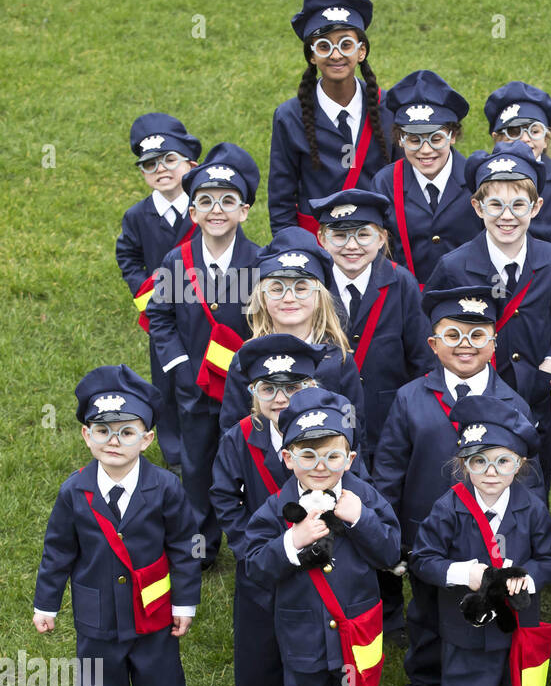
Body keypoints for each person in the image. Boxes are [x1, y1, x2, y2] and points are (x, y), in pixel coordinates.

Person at [372, 286, 543, 686]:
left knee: (495, 609)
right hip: (429, 536)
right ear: (433, 344)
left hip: (498, 534)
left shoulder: (513, 400)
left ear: (494, 343)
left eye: (477, 335)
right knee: (427, 612)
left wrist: (532, 531)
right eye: (453, 334)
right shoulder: (411, 397)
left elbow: (533, 476)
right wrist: (392, 536)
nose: (465, 345)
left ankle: (495, 684)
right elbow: (389, 468)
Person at [33, 366, 200, 686]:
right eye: (103, 430)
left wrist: (185, 602)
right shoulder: (75, 491)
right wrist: (46, 604)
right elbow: (58, 552)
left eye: (127, 431)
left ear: (147, 439)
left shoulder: (165, 488)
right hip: (98, 618)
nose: (114, 440)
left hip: (155, 616)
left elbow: (184, 547)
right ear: (86, 436)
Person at [243, 388, 401, 686]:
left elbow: (391, 553)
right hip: (302, 635)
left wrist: (360, 518)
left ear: (350, 458)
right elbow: (254, 566)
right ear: (288, 458)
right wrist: (292, 542)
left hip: (359, 632)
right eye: (307, 455)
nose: (320, 467)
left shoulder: (363, 496)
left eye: (332, 456)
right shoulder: (276, 509)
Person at [409, 397, 551, 686]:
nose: (490, 473)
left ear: (520, 465)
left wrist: (527, 576)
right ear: (462, 465)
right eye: (478, 462)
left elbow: (550, 558)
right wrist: (465, 573)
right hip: (465, 632)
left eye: (502, 462)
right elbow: (422, 560)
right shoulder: (448, 508)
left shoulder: (531, 508)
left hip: (518, 629)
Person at [426, 140, 551, 495]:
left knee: (530, 481)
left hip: (536, 389)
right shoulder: (454, 265)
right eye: (495, 205)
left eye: (518, 205)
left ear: (536, 207)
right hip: (477, 389)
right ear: (477, 207)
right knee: (477, 475)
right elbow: (431, 326)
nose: (507, 216)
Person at [211, 336, 324, 686]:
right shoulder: (239, 438)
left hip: (318, 557)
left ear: (311, 386)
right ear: (251, 393)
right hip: (260, 564)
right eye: (267, 388)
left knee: (313, 649)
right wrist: (250, 548)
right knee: (259, 652)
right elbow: (224, 496)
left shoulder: (326, 431)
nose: (281, 398)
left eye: (293, 387)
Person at [145, 142, 262, 565]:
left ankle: (256, 539)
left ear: (244, 211)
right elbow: (159, 317)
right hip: (194, 383)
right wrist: (177, 364)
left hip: (245, 388)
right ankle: (201, 545)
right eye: (206, 202)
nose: (217, 210)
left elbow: (268, 323)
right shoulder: (177, 260)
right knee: (196, 465)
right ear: (192, 212)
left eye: (228, 201)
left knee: (247, 459)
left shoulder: (260, 263)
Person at [307, 188, 435, 465]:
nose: (351, 246)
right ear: (321, 239)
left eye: (363, 235)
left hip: (388, 419)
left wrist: (415, 415)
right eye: (339, 235)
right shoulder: (313, 286)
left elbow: (422, 358)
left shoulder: (402, 284)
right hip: (323, 421)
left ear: (381, 238)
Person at [218, 227, 366, 454]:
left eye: (301, 288)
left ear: (319, 297)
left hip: (323, 472)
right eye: (277, 288)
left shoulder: (340, 361)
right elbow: (231, 429)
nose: (289, 298)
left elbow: (354, 429)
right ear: (262, 297)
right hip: (262, 473)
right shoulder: (245, 359)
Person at [116, 113, 201, 467]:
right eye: (150, 164)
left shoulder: (205, 208)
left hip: (203, 308)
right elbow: (128, 257)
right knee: (165, 380)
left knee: (203, 373)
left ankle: (208, 442)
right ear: (142, 172)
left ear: (191, 164)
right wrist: (148, 296)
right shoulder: (137, 216)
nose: (161, 169)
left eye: (170, 160)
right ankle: (175, 451)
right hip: (161, 314)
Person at [268, 0, 391, 233]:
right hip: (317, 243)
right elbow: (281, 199)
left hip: (375, 240)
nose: (336, 55)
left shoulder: (388, 106)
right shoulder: (290, 115)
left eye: (346, 44)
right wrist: (293, 253)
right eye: (324, 46)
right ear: (312, 55)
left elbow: (401, 183)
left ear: (362, 51)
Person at [370, 70, 475, 284]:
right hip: (405, 297)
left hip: (468, 295)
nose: (426, 150)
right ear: (400, 139)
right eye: (414, 140)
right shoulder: (385, 183)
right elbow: (379, 251)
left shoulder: (476, 179)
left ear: (453, 136)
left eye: (436, 139)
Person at [484, 80, 551, 247]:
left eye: (534, 131)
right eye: (514, 132)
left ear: (546, 138)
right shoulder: (484, 177)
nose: (525, 139)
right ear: (496, 139)